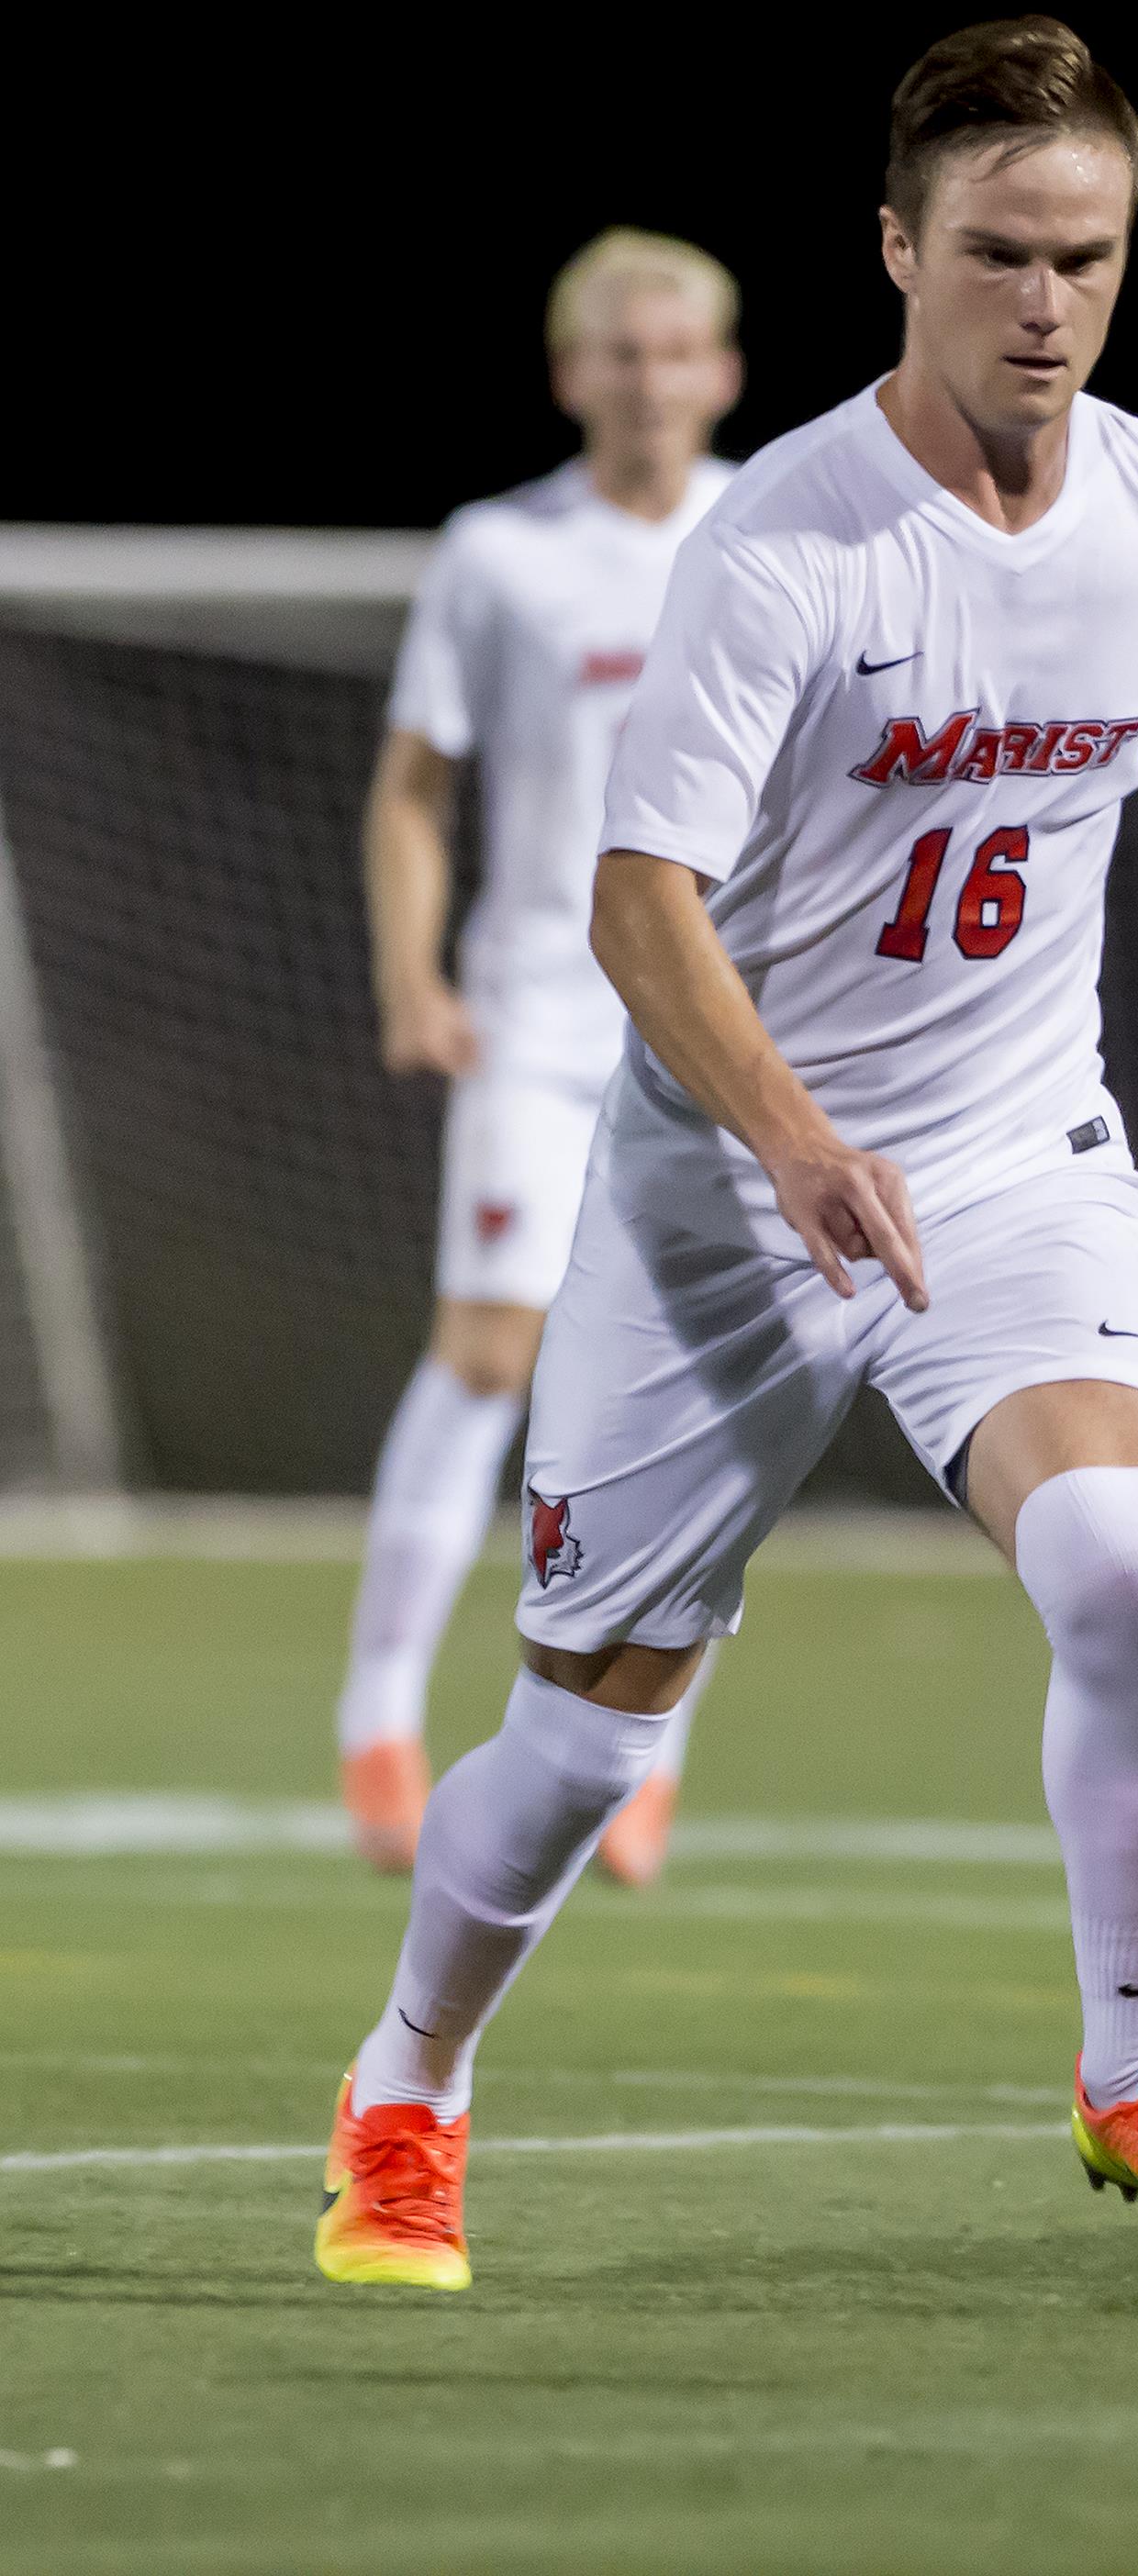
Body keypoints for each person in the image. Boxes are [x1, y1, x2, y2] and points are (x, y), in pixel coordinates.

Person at [316, 16, 1138, 2292]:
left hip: (1017, 1157)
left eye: (1089, 255)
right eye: (999, 254)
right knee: (578, 1741)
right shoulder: (788, 542)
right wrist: (793, 1135)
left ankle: (1132, 2061)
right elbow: (636, 903)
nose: (1047, 303)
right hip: (724, 1202)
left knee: (1129, 1570)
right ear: (896, 251)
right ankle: (406, 2085)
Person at [338, 229, 740, 1886]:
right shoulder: (500, 555)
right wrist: (412, 975)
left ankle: (640, 1761)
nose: (647, 380)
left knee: (712, 1388)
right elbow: (414, 786)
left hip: (723, 1025)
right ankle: (377, 1717)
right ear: (572, 371)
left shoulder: (772, 531)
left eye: (676, 351)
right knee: (494, 1351)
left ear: (721, 369)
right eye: (617, 351)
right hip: (539, 1010)